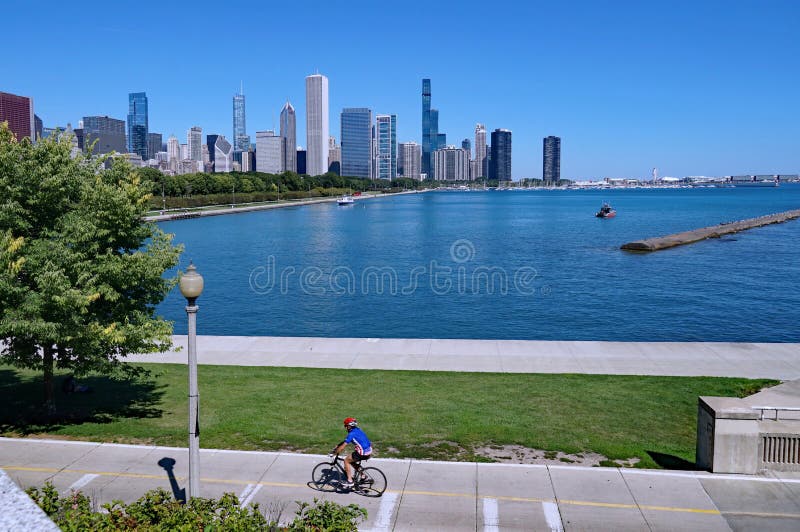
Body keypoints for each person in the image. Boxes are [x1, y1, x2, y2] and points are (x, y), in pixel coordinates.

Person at [331, 417, 372, 488]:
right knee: (352, 461)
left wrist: (335, 453)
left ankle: (350, 481)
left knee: (346, 460)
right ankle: (363, 475)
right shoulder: (358, 430)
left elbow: (343, 446)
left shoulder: (351, 434)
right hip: (369, 451)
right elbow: (345, 441)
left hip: (362, 453)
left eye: (346, 426)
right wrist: (338, 445)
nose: (345, 428)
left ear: (349, 426)